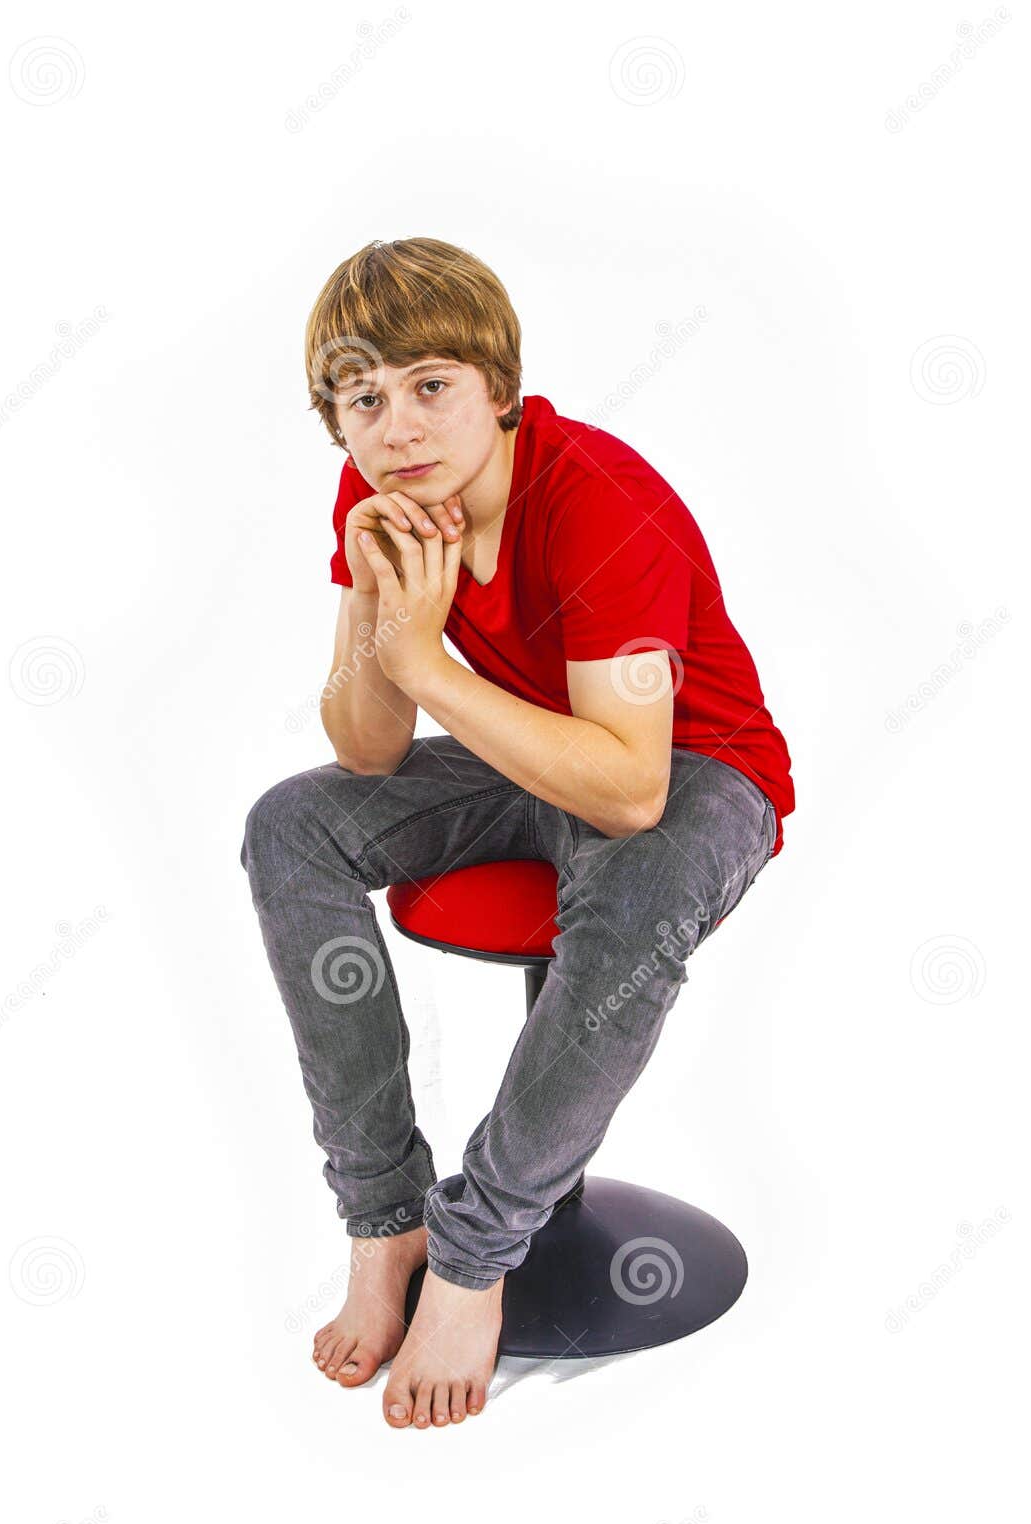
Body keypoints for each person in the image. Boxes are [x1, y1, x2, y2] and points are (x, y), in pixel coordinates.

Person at [240, 236, 795, 1431]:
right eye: (363, 399)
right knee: (292, 827)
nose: (398, 427)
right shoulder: (381, 497)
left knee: (632, 893)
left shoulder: (597, 497)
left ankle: (473, 1253)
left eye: (431, 385)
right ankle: (386, 1220)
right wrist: (391, 640)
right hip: (516, 749)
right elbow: (367, 751)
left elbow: (629, 791)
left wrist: (422, 662)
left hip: (690, 769)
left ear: (498, 388)